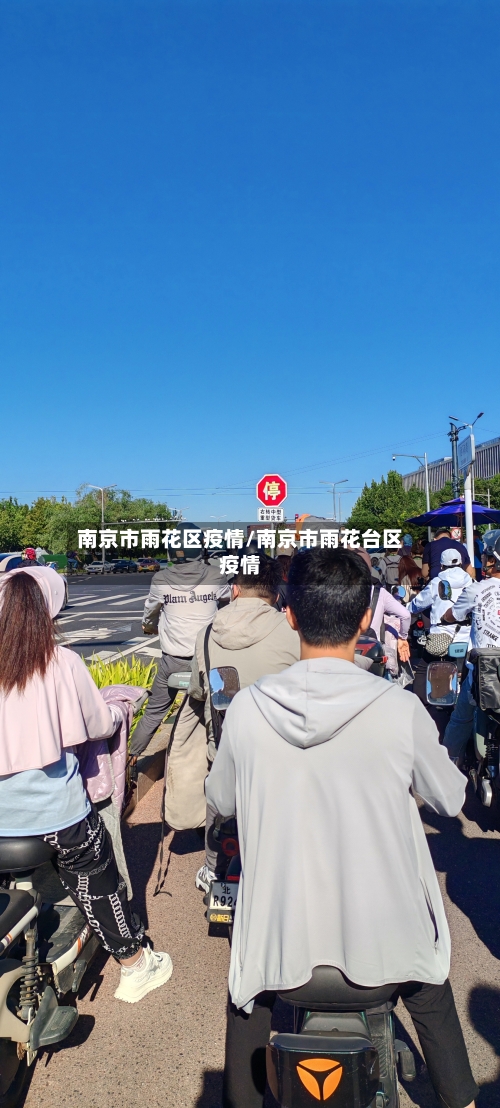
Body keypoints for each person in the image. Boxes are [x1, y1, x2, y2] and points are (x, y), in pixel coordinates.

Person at [206, 547, 477, 1108]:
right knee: (430, 992)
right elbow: (450, 799)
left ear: (291, 616)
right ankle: (463, 1100)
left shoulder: (250, 710)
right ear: (363, 620)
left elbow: (222, 798)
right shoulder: (398, 708)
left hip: (283, 953)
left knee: (245, 996)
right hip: (387, 950)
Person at [0, 566, 172, 1003]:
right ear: (52, 610)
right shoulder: (62, 662)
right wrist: (118, 712)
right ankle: (134, 965)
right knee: (98, 879)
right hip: (58, 818)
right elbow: (95, 724)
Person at [188, 554, 300, 892]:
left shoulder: (206, 634)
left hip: (227, 751)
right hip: (283, 755)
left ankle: (211, 869)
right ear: (276, 594)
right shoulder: (293, 631)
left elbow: (196, 689)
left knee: (218, 795)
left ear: (235, 590)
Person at [130, 525, 230, 758]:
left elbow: (150, 611)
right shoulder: (216, 575)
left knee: (154, 712)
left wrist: (148, 627)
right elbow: (227, 601)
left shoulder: (161, 578)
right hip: (208, 660)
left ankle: (131, 761)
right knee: (223, 708)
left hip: (173, 662)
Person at [442, 529, 500, 763]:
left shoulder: (477, 589)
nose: (483, 561)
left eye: (486, 557)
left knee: (460, 718)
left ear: (493, 560)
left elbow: (452, 614)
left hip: (483, 675)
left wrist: (447, 617)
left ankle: (446, 766)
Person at [408, 550, 471, 738]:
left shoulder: (437, 583)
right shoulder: (471, 582)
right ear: (460, 563)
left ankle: (430, 715)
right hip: (467, 641)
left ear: (441, 566)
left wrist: (407, 608)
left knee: (422, 674)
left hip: (441, 641)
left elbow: (418, 604)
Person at [354, 548, 411, 665]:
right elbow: (405, 615)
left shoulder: (334, 591)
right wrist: (402, 637)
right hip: (373, 653)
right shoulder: (379, 593)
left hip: (343, 654)